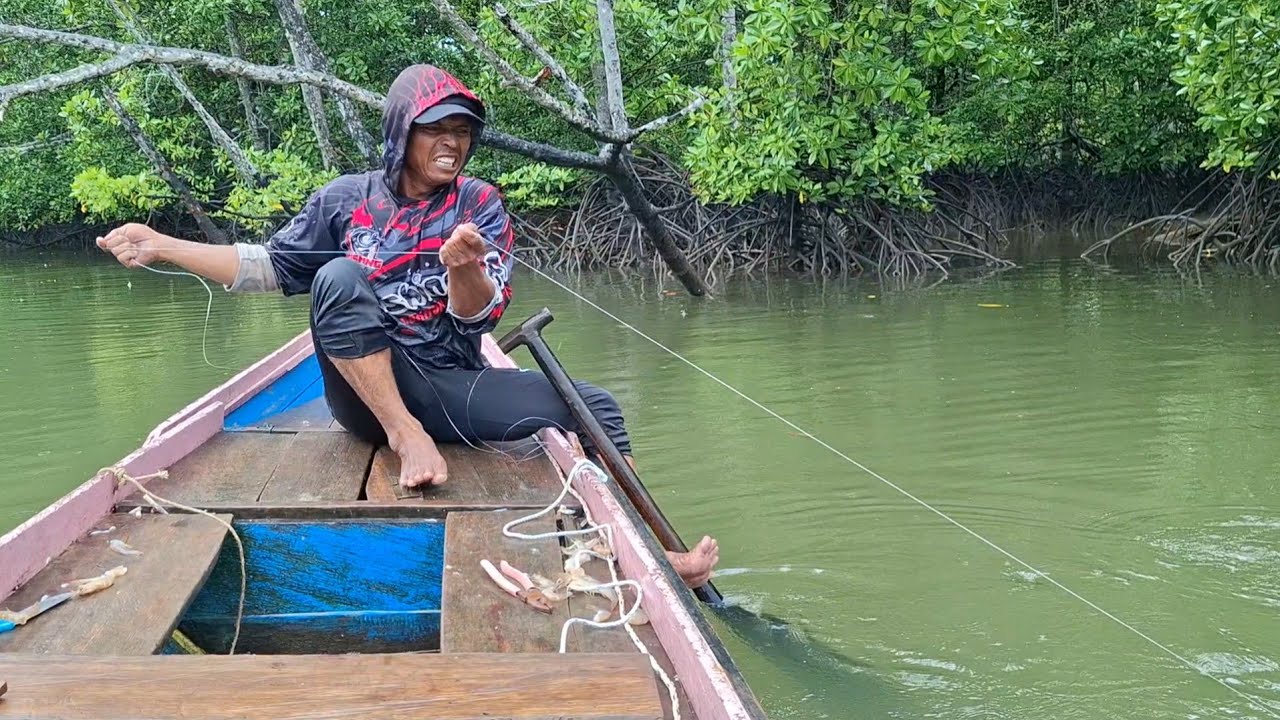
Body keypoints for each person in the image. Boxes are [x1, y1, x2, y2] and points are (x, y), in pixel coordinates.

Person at [95, 64, 717, 587]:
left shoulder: (478, 203)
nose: (452, 142)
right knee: (337, 276)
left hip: (445, 381)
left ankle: (653, 553)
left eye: (462, 131)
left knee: (597, 408)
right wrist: (164, 246)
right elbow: (269, 267)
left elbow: (480, 316)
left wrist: (464, 268)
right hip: (367, 398)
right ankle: (405, 435)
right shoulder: (347, 199)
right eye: (436, 129)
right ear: (401, 132)